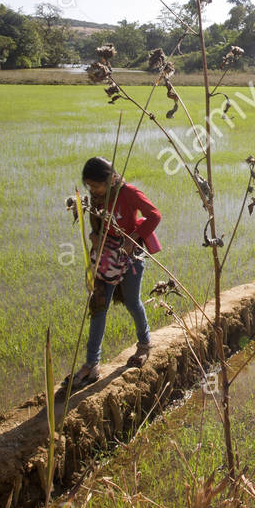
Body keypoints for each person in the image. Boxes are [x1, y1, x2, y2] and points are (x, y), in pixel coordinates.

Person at [68, 156, 161, 388]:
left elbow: (154, 215)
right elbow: (97, 226)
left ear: (110, 179)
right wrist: (95, 236)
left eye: (96, 185)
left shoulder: (128, 193)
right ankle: (91, 364)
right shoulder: (96, 199)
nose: (93, 190)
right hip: (105, 255)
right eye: (89, 186)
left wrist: (135, 238)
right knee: (98, 306)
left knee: (132, 302)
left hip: (130, 257)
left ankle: (144, 344)